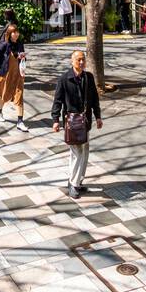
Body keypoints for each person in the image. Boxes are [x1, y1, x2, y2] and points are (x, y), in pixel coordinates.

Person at [51, 49, 103, 199]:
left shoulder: (88, 77)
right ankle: (72, 183)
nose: (81, 62)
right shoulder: (64, 79)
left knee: (85, 151)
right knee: (76, 152)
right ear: (72, 61)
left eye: (83, 60)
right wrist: (55, 120)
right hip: (72, 122)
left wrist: (98, 116)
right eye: (78, 59)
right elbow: (58, 101)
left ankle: (79, 181)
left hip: (85, 121)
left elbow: (94, 99)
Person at [0, 22, 28, 132]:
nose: (16, 34)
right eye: (14, 32)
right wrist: (0, 67)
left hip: (18, 74)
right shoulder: (4, 44)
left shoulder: (20, 44)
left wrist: (23, 58)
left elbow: (22, 57)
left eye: (17, 32)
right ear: (9, 34)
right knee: (4, 95)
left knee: (19, 97)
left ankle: (20, 121)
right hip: (6, 74)